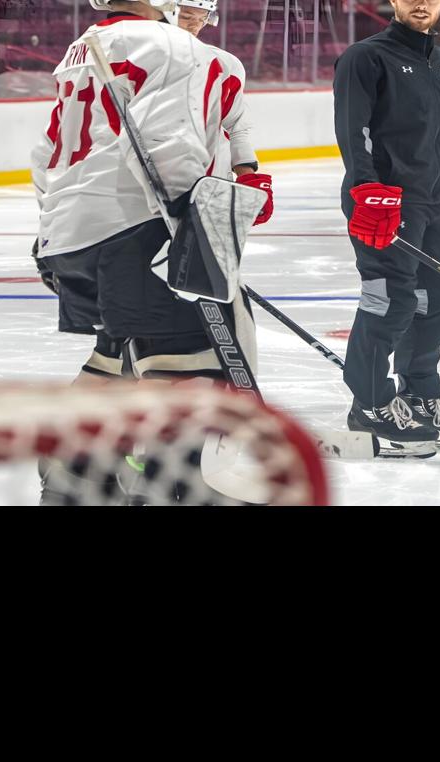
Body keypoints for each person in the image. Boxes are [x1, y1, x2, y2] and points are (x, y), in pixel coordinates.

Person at [28, 0, 269, 501]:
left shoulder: (79, 48)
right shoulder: (171, 44)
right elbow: (168, 143)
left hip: (70, 232)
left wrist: (53, 223)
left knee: (114, 356)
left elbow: (44, 151)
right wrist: (196, 230)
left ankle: (72, 479)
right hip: (135, 227)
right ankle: (173, 488)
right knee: (190, 364)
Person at [333, 0, 440, 454]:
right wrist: (367, 189)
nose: (421, 3)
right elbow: (353, 129)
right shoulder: (365, 56)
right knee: (390, 298)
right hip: (384, 200)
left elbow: (439, 135)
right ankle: (368, 404)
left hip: (432, 200)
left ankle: (420, 394)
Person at [171, 0, 265, 188]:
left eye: (202, 18)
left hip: (212, 185)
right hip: (147, 189)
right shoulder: (139, 59)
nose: (194, 25)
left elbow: (236, 128)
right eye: (186, 17)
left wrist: (248, 178)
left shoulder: (226, 65)